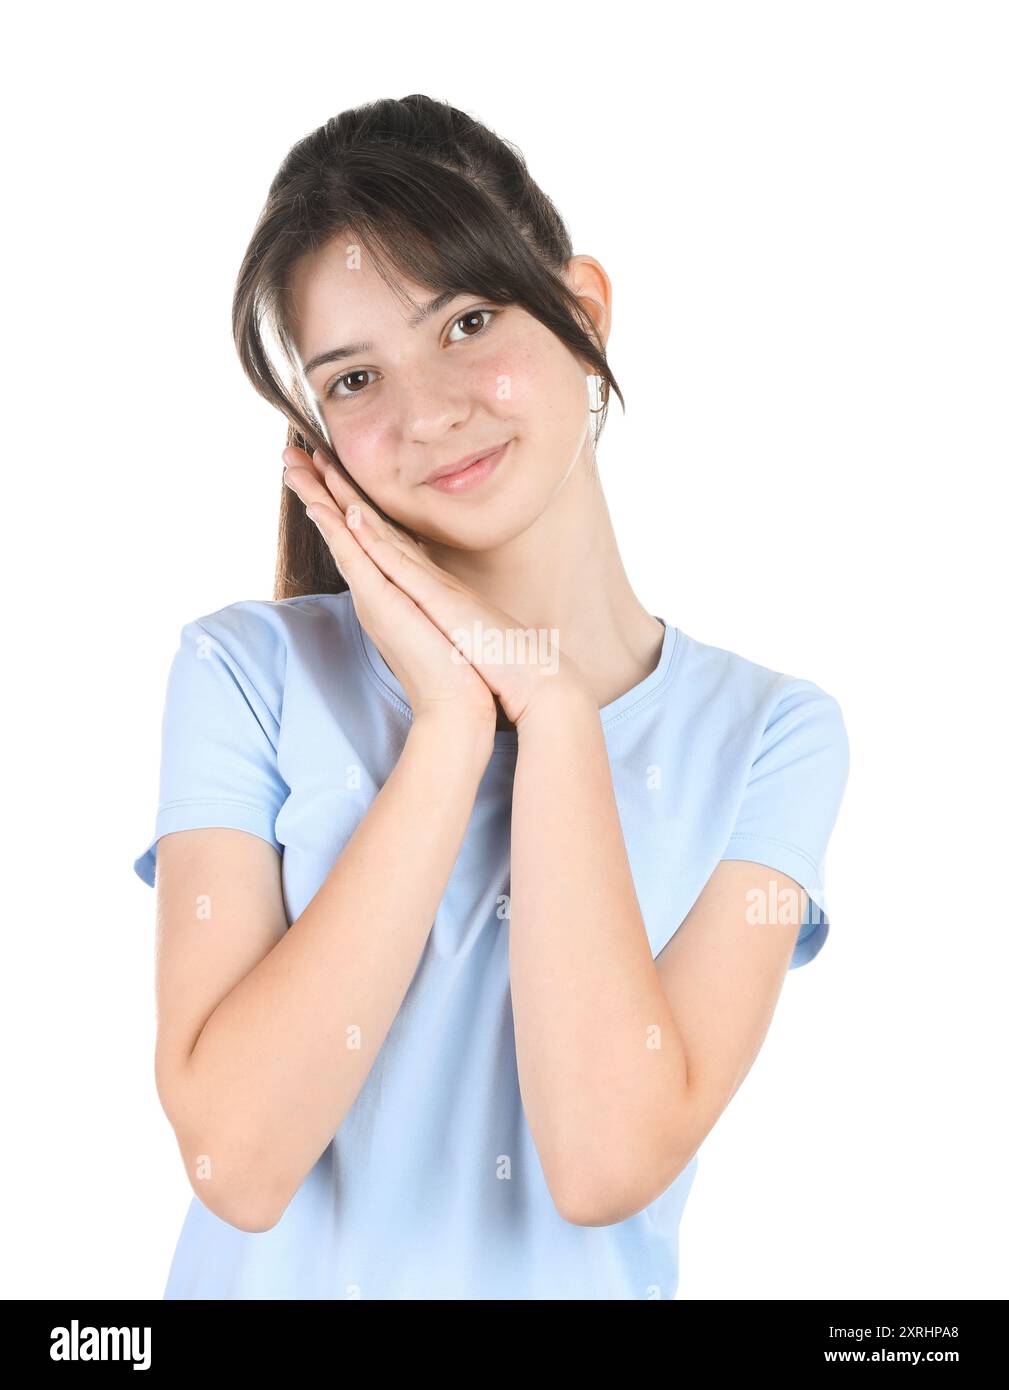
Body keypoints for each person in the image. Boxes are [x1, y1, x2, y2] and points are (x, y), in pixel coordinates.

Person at [133, 94, 849, 1300]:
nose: (427, 413)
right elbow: (239, 1164)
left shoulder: (772, 736)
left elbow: (605, 1160)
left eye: (467, 321)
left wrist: (555, 715)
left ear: (583, 312)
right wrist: (455, 728)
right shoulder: (243, 675)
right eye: (354, 378)